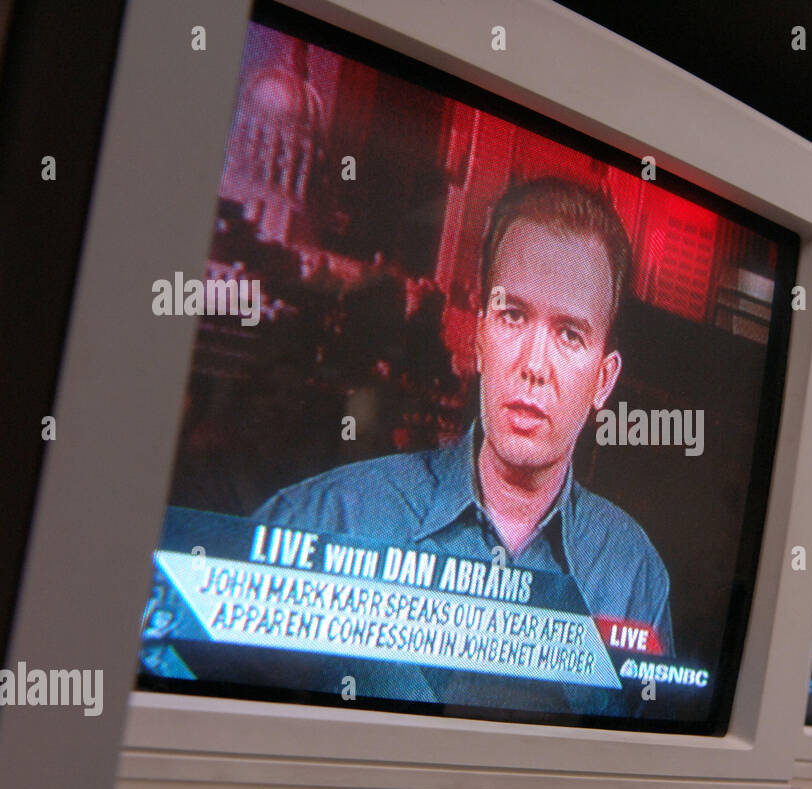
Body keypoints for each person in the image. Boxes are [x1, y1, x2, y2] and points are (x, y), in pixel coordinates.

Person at [252, 178, 673, 715]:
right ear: (478, 336)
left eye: (570, 333)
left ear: (604, 381)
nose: (534, 366)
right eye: (513, 315)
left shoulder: (633, 575)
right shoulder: (325, 522)